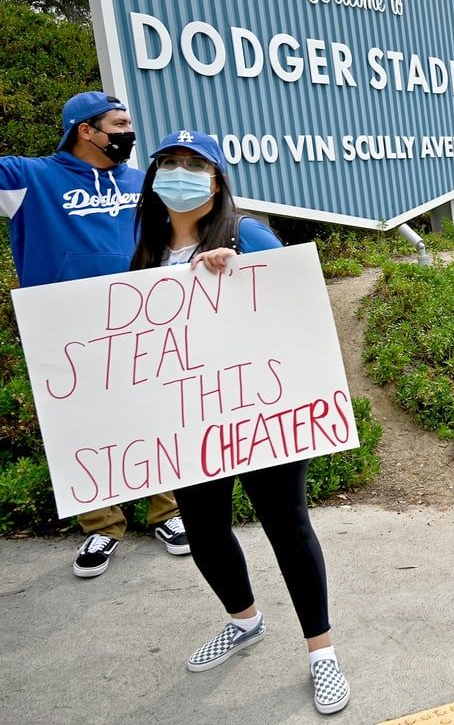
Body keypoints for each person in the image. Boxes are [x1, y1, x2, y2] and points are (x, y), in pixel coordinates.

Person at [130, 130, 350, 715]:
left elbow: (299, 305)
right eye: (169, 164)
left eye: (193, 165)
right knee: (203, 529)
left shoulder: (245, 233)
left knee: (286, 525)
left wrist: (244, 270)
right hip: (189, 419)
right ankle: (244, 620)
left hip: (259, 414)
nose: (179, 174)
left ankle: (321, 652)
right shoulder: (147, 244)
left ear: (218, 178)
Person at [0, 91, 188, 578]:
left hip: (140, 316)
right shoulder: (29, 177)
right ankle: (102, 525)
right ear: (86, 129)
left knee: (155, 412)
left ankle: (167, 513)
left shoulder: (141, 183)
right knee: (81, 425)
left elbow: (179, 236)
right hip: (65, 325)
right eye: (120, 123)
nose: (129, 132)